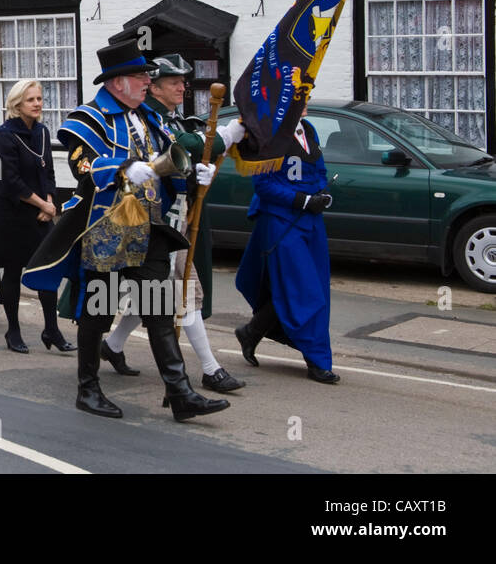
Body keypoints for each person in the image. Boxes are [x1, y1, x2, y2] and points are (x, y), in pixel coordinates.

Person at [23, 41, 229, 421]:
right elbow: (83, 164)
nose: (146, 83)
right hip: (106, 229)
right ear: (118, 82)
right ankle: (88, 389)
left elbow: (172, 165)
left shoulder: (148, 119)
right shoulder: (89, 117)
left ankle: (180, 393)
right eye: (140, 77)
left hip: (148, 226)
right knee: (97, 310)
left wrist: (197, 176)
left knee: (159, 308)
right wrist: (123, 167)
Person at [99, 54, 247, 393]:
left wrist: (196, 176)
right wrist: (224, 134)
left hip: (177, 218)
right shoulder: (152, 119)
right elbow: (180, 148)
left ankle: (113, 345)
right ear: (155, 87)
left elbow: (183, 155)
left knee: (155, 294)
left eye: (183, 81)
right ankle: (209, 370)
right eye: (174, 82)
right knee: (181, 291)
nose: (183, 87)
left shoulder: (173, 119)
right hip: (151, 220)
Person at [235, 103, 339, 384]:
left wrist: (322, 192)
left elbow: (318, 168)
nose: (305, 102)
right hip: (281, 220)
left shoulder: (309, 129)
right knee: (305, 290)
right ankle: (317, 360)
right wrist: (302, 200)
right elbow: (263, 186)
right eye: (298, 97)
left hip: (311, 221)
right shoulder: (268, 136)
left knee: (313, 286)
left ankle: (251, 331)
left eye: (306, 96)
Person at [0, 78, 74, 355]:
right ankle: (13, 330)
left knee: (46, 271)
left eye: (39, 99)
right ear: (16, 104)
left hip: (40, 215)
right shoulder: (3, 135)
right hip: (11, 214)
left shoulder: (44, 132)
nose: (37, 104)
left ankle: (52, 329)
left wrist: (49, 202)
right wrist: (41, 205)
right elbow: (7, 180)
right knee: (12, 271)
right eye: (31, 100)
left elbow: (48, 173)